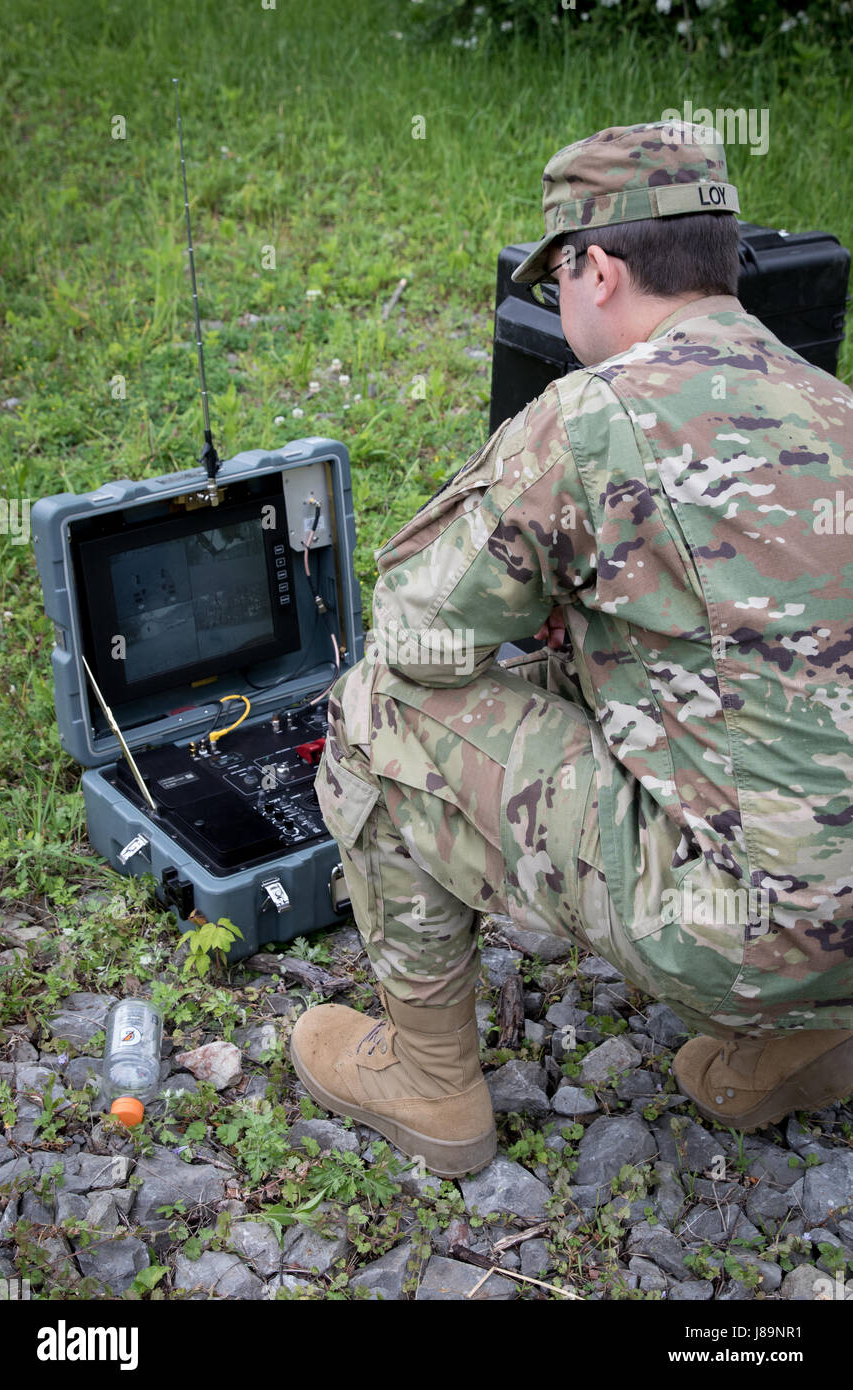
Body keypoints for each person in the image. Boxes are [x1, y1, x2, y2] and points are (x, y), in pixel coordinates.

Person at [290, 121, 853, 1178]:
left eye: (557, 280)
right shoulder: (836, 405)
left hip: (727, 933)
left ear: (595, 268)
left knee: (377, 708)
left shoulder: (591, 417)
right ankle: (801, 1036)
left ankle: (428, 1086)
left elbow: (419, 633)